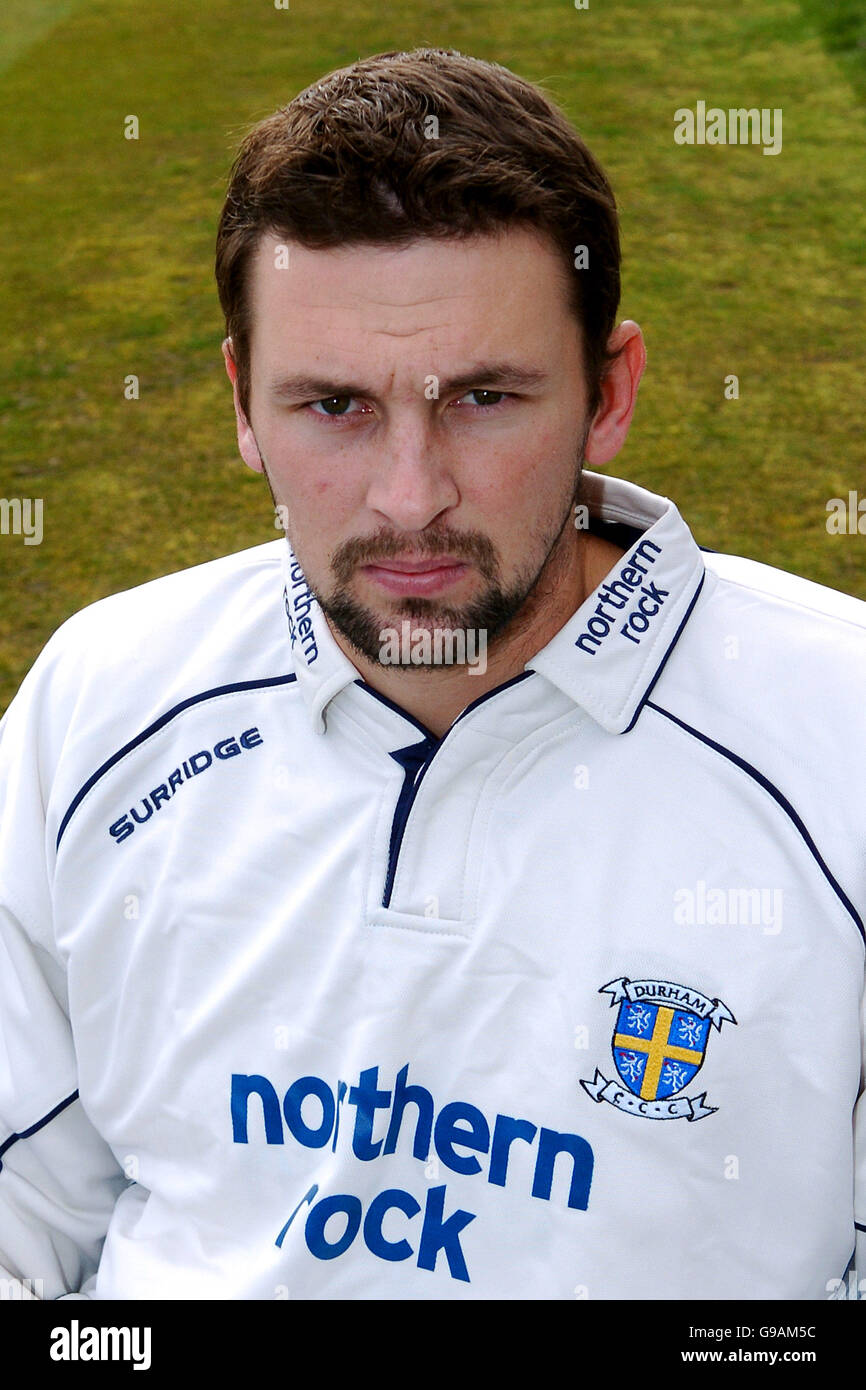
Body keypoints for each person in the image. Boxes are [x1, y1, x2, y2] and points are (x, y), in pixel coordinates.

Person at [0, 46, 864, 1302]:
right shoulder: (102, 702)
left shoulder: (838, 744)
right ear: (243, 402)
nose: (411, 501)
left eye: (481, 398)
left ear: (606, 391)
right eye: (333, 407)